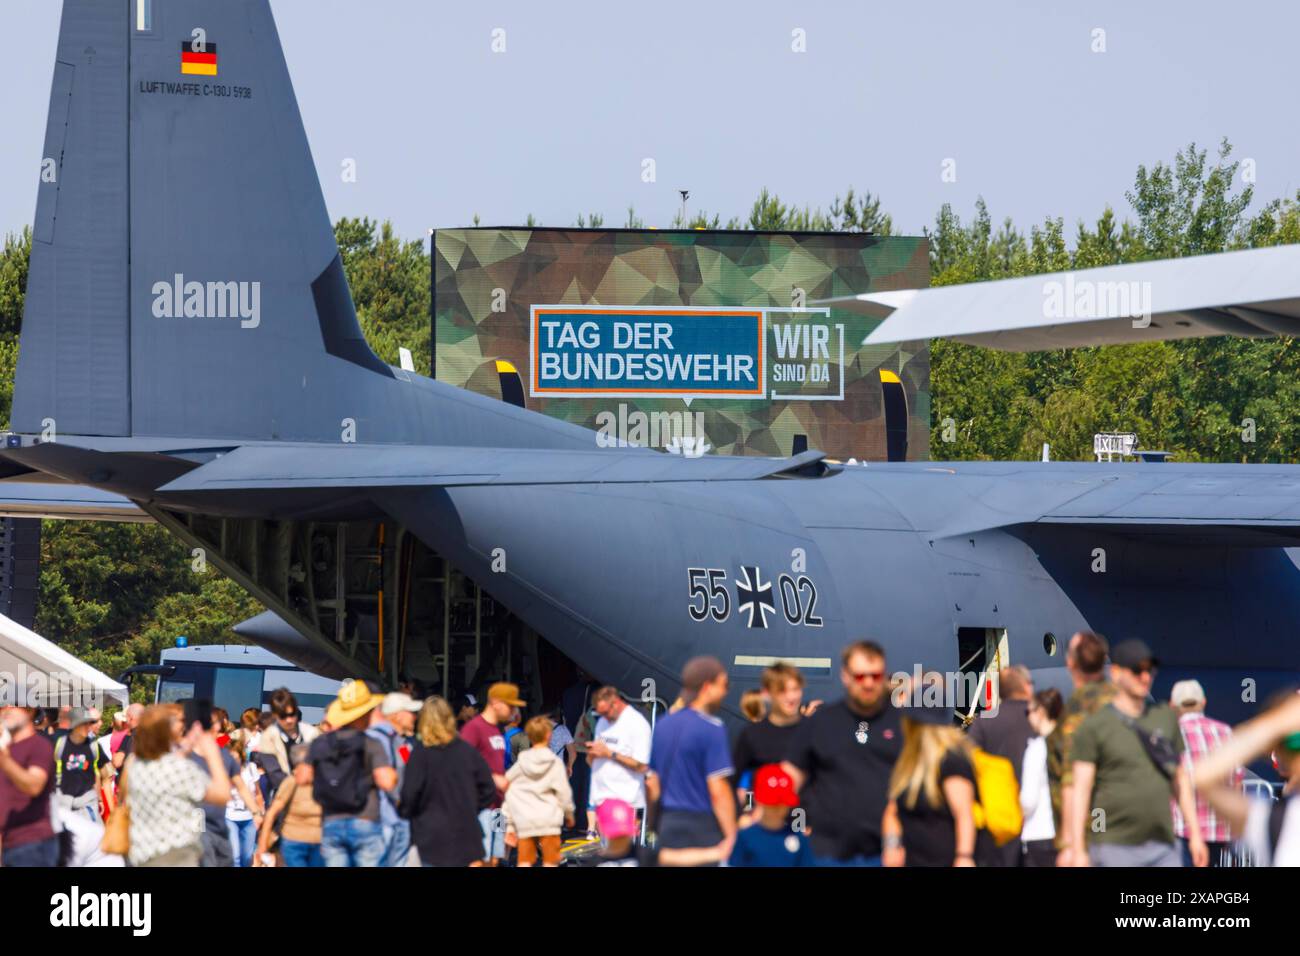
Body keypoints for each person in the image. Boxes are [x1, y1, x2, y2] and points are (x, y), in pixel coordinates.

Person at [1068, 639, 1207, 867]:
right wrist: (1077, 848)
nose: (1145, 677)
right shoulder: (1095, 726)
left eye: (1149, 670)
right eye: (1136, 670)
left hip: (1163, 846)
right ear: (1116, 673)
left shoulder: (1165, 718)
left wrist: (1196, 835)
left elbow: (1180, 778)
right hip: (1115, 846)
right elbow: (1080, 789)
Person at [784, 641, 903, 866]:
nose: (868, 683)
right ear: (845, 676)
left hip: (883, 854)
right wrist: (763, 827)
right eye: (860, 676)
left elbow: (914, 787)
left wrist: (895, 842)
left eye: (875, 676)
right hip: (826, 853)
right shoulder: (820, 722)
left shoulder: (902, 726)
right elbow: (789, 778)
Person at [1193, 689, 1300, 866]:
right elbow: (1203, 776)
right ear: (1279, 752)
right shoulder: (1274, 822)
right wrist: (1277, 723)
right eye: (1296, 742)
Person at [647, 656, 736, 863]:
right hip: (701, 827)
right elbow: (717, 788)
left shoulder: (662, 725)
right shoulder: (712, 728)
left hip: (668, 823)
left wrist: (654, 824)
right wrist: (732, 835)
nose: (726, 692)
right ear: (707, 687)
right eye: (724, 685)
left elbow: (652, 783)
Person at [125, 704, 232, 868]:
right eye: (180, 721)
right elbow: (222, 795)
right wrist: (212, 753)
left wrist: (186, 747)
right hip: (175, 856)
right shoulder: (181, 769)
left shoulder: (135, 765)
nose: (184, 725)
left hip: (141, 854)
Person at [305, 681, 398, 867]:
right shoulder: (371, 742)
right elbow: (386, 781)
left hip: (331, 819)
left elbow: (303, 776)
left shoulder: (321, 743)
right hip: (365, 818)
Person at [885, 683, 978, 868]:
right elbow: (892, 811)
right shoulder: (909, 761)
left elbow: (964, 813)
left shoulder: (951, 760)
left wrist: (964, 856)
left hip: (946, 860)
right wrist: (892, 846)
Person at [400, 696, 497, 867]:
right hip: (466, 833)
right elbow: (488, 788)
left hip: (431, 836)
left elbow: (409, 795)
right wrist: (470, 807)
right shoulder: (466, 750)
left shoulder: (420, 754)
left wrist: (416, 817)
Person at [1046, 630, 1115, 865]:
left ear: (1071, 664)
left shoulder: (1075, 717)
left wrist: (1071, 845)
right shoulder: (1130, 706)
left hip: (1094, 829)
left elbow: (1073, 783)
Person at [968, 664, 1034, 865]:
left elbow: (969, 762)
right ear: (1026, 687)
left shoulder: (984, 721)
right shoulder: (1039, 718)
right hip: (1036, 820)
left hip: (999, 819)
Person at [1169, 679, 1239, 867]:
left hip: (1182, 829)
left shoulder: (1170, 734)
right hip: (1219, 830)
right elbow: (1236, 782)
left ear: (1173, 705)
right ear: (1203, 702)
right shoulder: (1225, 732)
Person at [460, 682, 526, 865]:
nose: (513, 711)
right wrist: (492, 778)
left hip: (498, 807)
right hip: (481, 807)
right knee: (480, 857)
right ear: (496, 703)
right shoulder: (473, 728)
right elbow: (461, 763)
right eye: (510, 705)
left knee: (496, 855)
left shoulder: (496, 729)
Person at [503, 715, 576, 866]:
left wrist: (509, 821)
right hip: (549, 820)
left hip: (526, 820)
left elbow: (509, 788)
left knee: (525, 860)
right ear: (549, 736)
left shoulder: (522, 761)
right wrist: (569, 813)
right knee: (550, 860)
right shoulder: (554, 762)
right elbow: (563, 792)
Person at [733, 662, 805, 814]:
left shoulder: (814, 731)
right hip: (763, 821)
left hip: (803, 822)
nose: (791, 697)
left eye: (795, 689)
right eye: (782, 690)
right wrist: (745, 816)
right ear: (766, 693)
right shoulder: (752, 734)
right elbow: (735, 782)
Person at [586, 686, 652, 837]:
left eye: (605, 712)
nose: (604, 717)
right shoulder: (603, 721)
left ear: (615, 703)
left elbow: (642, 766)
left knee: (619, 846)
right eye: (600, 713)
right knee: (607, 847)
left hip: (623, 797)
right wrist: (592, 755)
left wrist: (610, 754)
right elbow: (598, 754)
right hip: (601, 796)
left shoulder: (636, 723)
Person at [366, 691, 421, 867]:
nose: (415, 716)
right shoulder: (378, 739)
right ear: (397, 715)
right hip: (383, 821)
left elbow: (408, 768)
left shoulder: (402, 742)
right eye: (410, 712)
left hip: (399, 820)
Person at [0, 705, 58, 866]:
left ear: (30, 711)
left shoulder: (39, 745)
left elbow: (34, 786)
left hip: (33, 843)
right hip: (9, 844)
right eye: (3, 707)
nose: (6, 711)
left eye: (14, 706)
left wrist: (5, 762)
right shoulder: (7, 749)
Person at [728, 763, 815, 867]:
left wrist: (802, 823)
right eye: (773, 806)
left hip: (783, 790)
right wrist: (747, 812)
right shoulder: (746, 836)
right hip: (759, 791)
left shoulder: (798, 838)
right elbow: (749, 791)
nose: (776, 809)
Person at [255, 744, 323, 867]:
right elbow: (271, 813)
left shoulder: (323, 782)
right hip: (294, 842)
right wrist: (262, 846)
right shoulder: (292, 782)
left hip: (318, 843)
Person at [1020, 688, 1062, 867]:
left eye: (1028, 712)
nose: (1027, 717)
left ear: (1041, 712)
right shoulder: (1070, 744)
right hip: (1065, 833)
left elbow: (1028, 800)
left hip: (1038, 831)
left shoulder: (1036, 748)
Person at [256, 688, 320, 793]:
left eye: (292, 714)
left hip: (312, 791)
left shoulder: (312, 733)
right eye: (283, 716)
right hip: (283, 792)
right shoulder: (268, 737)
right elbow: (274, 773)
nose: (289, 720)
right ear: (275, 715)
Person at [224, 732, 265, 867]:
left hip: (249, 817)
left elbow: (258, 794)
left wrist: (260, 813)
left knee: (246, 857)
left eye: (234, 757)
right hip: (229, 816)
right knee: (235, 855)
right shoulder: (223, 770)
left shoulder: (251, 768)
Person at [111, 702, 144, 772]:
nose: (125, 720)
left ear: (130, 718)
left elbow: (117, 762)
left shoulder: (130, 736)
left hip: (129, 776)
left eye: (125, 716)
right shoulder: (152, 735)